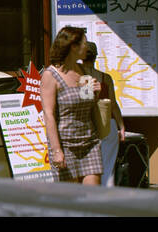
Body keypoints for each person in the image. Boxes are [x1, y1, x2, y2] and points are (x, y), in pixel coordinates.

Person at [40, 26, 103, 184]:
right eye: (84, 43)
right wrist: (56, 150)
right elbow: (49, 114)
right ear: (73, 46)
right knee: (70, 201)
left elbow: (88, 105)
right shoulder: (51, 75)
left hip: (90, 143)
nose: (87, 47)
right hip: (65, 145)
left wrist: (96, 93)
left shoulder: (83, 71)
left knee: (93, 198)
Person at [79, 41, 126, 186]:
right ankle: (107, 194)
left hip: (89, 125)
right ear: (96, 57)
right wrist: (121, 126)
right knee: (108, 165)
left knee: (89, 168)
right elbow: (113, 104)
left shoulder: (81, 78)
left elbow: (83, 103)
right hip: (108, 124)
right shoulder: (106, 78)